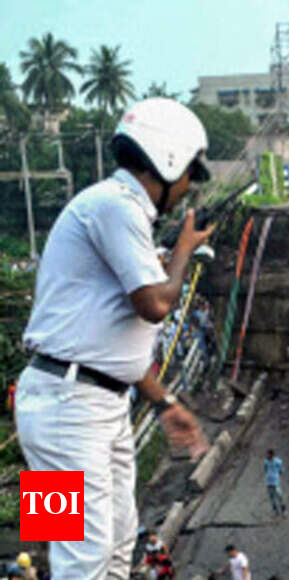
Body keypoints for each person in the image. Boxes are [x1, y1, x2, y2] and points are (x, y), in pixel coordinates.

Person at [15, 98, 211, 579]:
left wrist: (165, 402)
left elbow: (109, 345)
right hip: (67, 407)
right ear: (166, 162)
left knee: (117, 542)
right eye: (188, 174)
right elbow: (156, 304)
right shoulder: (115, 206)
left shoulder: (114, 212)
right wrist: (184, 252)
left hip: (84, 398)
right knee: (85, 555)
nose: (187, 189)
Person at [264, 449, 286, 516]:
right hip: (268, 481)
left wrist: (277, 477)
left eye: (268, 454)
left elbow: (281, 470)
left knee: (279, 495)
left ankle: (283, 510)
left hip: (276, 481)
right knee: (271, 497)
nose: (267, 455)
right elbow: (265, 469)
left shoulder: (278, 462)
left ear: (272, 454)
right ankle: (275, 511)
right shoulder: (266, 462)